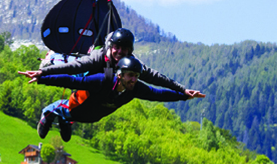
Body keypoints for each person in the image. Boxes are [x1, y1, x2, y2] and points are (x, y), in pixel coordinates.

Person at [21, 55, 202, 142]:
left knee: (80, 119)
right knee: (65, 110)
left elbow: (158, 94)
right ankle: (49, 113)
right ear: (120, 74)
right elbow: (72, 80)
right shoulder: (103, 80)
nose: (133, 79)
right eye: (130, 75)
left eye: (136, 76)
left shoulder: (134, 89)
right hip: (76, 107)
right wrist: (42, 77)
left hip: (91, 115)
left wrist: (184, 96)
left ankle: (65, 121)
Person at [22, 28, 205, 99]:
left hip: (104, 84)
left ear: (130, 51)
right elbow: (73, 68)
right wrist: (44, 74)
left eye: (124, 49)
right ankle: (52, 59)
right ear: (111, 46)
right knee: (77, 75)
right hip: (87, 72)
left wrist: (182, 90)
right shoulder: (98, 57)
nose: (119, 52)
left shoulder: (131, 64)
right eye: (117, 48)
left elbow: (156, 79)